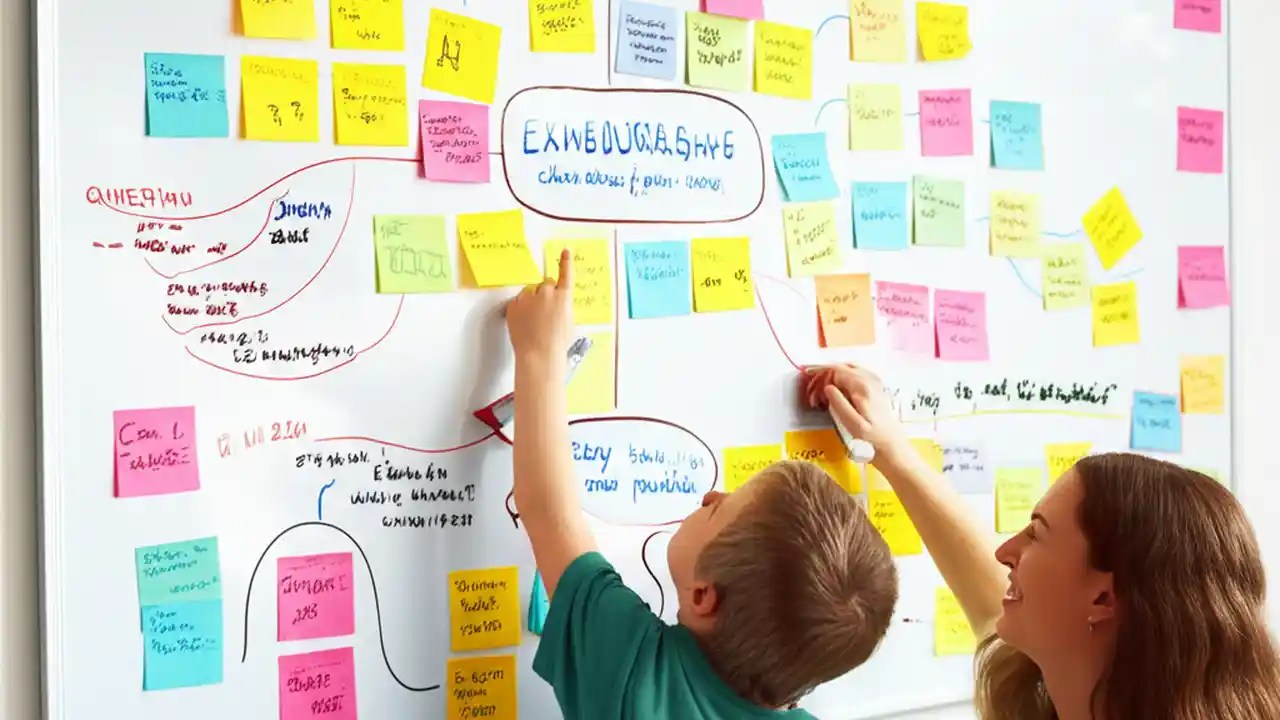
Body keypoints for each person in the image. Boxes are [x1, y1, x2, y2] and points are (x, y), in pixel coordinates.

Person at [505, 251, 899, 718]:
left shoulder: (635, 672)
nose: (712, 494)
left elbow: (549, 512)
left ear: (703, 596)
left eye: (719, 510)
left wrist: (540, 354)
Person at [806, 364, 1280, 720]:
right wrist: (891, 450)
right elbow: (993, 592)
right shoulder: (1079, 679)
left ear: (1101, 597)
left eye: (1036, 533)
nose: (1004, 551)